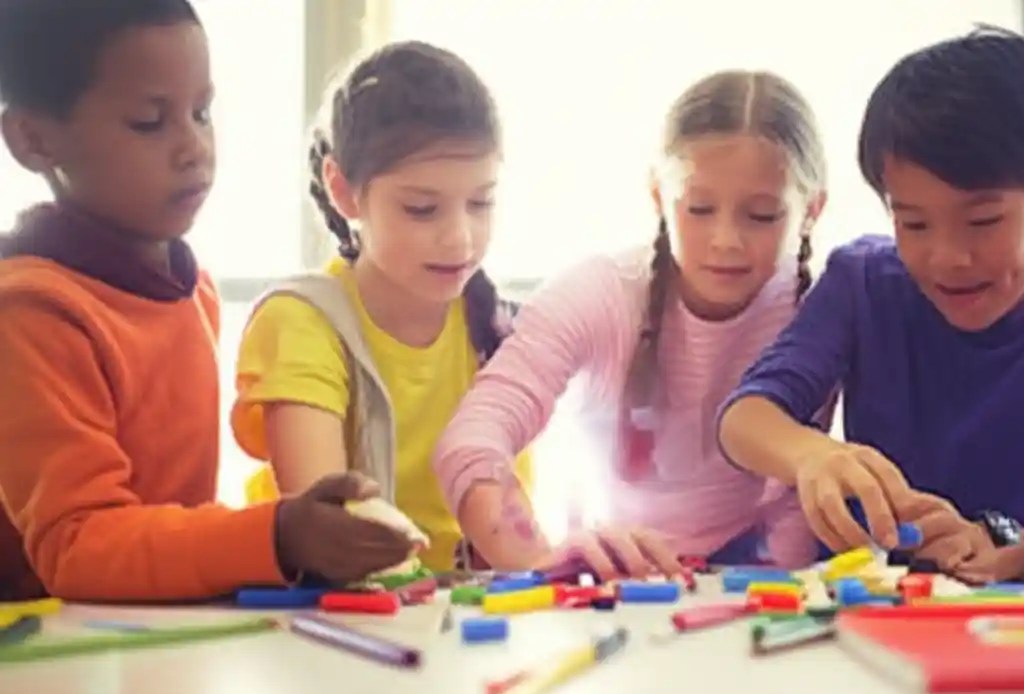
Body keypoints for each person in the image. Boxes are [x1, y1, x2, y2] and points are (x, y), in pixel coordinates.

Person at [717, 27, 1024, 581]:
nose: (947, 258)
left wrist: (1006, 542)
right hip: (860, 598)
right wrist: (811, 454)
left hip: (1010, 610)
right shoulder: (862, 281)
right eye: (912, 222)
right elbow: (744, 418)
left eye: (982, 222)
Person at [0, 0, 413, 601]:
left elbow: (169, 520)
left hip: (156, 644)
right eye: (149, 121)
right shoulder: (32, 314)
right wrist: (275, 537)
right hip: (51, 664)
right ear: (34, 140)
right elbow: (78, 544)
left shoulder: (192, 287)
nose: (194, 147)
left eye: (202, 112)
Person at [434, 70, 828, 578]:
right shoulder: (602, 292)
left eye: (761, 215)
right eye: (700, 208)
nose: (725, 239)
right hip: (622, 570)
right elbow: (472, 439)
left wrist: (776, 587)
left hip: (762, 580)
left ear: (812, 211)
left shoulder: (818, 311)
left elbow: (797, 503)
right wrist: (538, 560)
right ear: (658, 197)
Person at [230, 40, 530, 572]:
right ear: (344, 192)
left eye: (481, 202)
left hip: (451, 612)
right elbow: (333, 529)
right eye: (421, 208)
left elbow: (511, 532)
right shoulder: (302, 322)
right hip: (326, 611)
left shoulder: (497, 329)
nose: (459, 239)